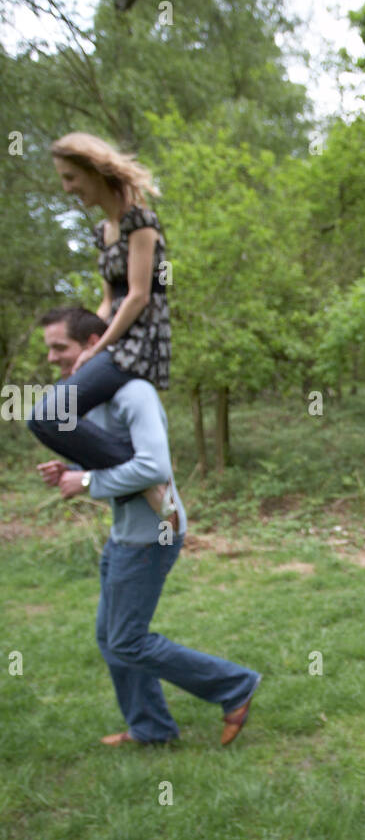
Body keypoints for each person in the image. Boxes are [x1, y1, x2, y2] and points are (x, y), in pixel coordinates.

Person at [35, 308, 260, 747]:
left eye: (60, 347)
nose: (51, 358)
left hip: (151, 536)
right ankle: (151, 728)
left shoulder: (134, 393)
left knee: (127, 641)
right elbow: (112, 456)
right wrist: (72, 467)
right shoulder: (91, 401)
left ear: (95, 343)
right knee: (110, 638)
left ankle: (234, 686)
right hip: (124, 535)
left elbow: (153, 467)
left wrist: (84, 482)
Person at [28, 132, 172, 517]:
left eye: (71, 177)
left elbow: (139, 295)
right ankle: (138, 473)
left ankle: (145, 475)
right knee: (50, 414)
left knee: (45, 415)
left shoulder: (141, 222)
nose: (67, 187)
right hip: (114, 338)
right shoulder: (103, 231)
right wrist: (90, 347)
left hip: (141, 341)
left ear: (94, 171)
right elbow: (109, 300)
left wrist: (98, 348)